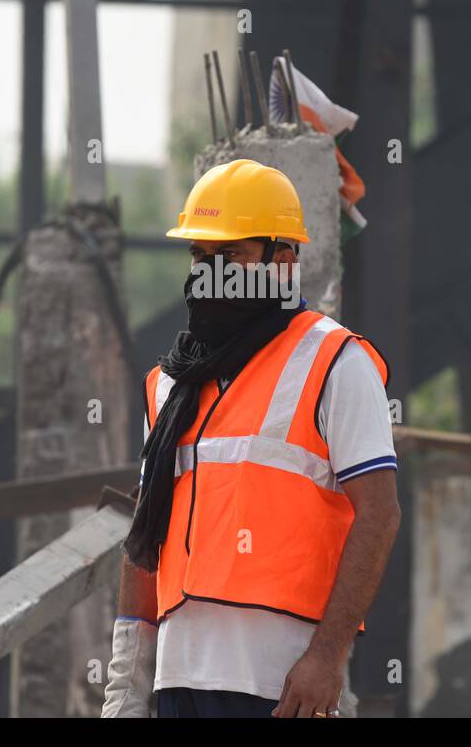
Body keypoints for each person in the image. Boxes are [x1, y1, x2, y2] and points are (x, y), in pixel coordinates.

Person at [101, 158, 401, 718]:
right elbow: (146, 533)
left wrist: (327, 658)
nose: (209, 271)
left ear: (282, 261)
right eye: (199, 256)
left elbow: (379, 515)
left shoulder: (336, 361)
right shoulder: (169, 383)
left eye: (230, 256)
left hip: (284, 683)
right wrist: (127, 684)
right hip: (177, 678)